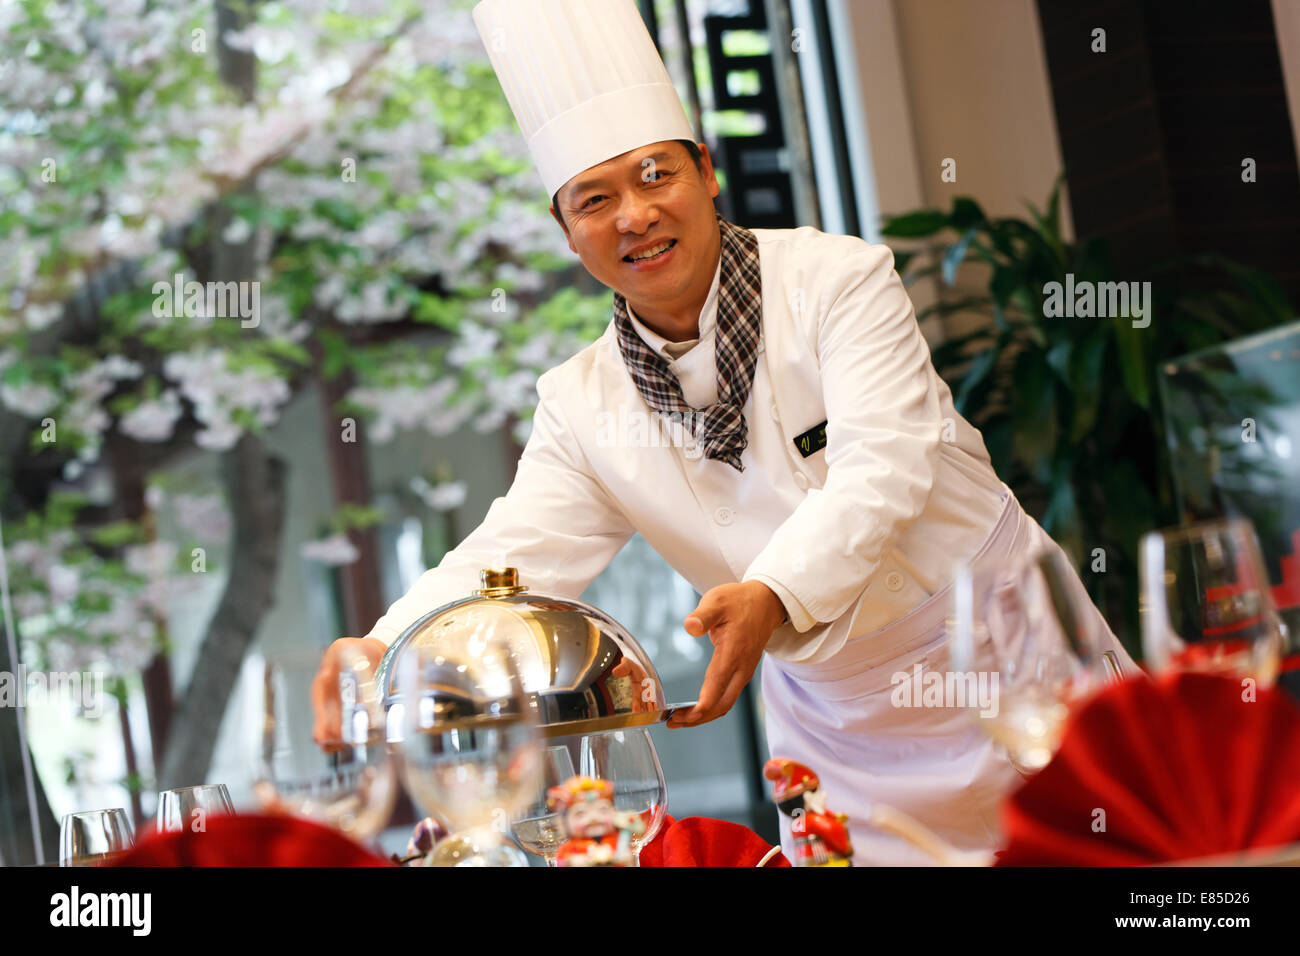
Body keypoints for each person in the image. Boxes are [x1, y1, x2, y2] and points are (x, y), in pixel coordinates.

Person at [312, 0, 1135, 864]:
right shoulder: (581, 398)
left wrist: (771, 592)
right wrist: (385, 640)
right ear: (565, 229)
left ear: (706, 172)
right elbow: (514, 555)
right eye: (595, 198)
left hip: (1000, 654)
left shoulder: (837, 281)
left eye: (654, 175)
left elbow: (882, 468)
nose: (633, 215)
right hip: (838, 721)